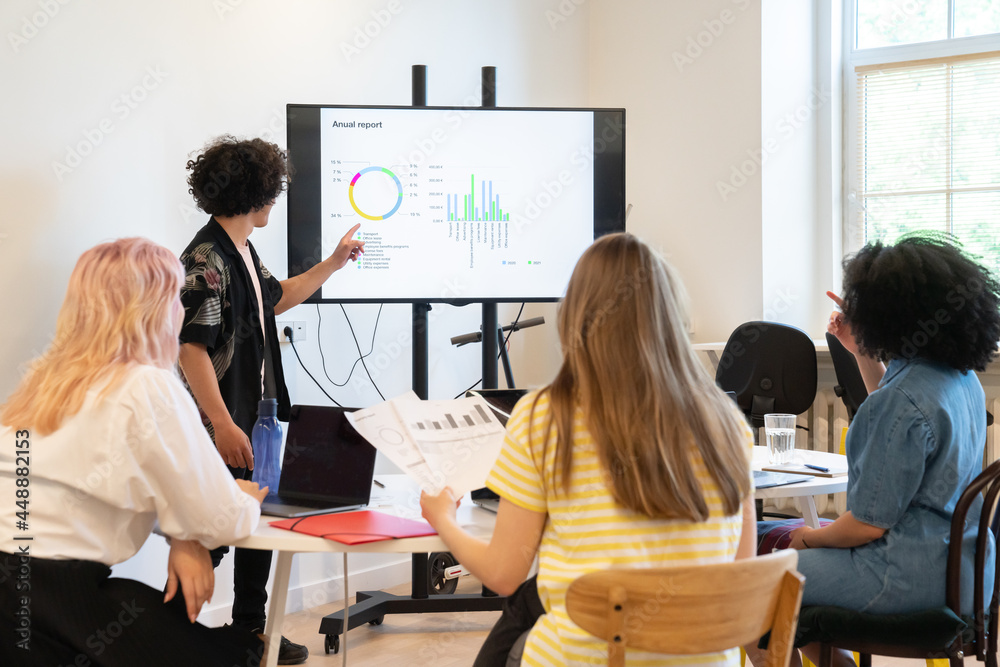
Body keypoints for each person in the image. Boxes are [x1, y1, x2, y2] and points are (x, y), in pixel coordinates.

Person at [421, 232, 757, 666]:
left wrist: (444, 520)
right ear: (671, 317)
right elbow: (740, 573)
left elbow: (503, 574)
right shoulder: (727, 423)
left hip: (589, 658)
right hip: (704, 660)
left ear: (575, 318)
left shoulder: (544, 417)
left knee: (515, 633)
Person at [0, 238, 269, 667]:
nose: (181, 311)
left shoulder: (38, 386)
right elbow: (220, 516)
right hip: (61, 599)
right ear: (155, 310)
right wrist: (245, 500)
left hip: (20, 599)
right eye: (176, 298)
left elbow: (121, 486)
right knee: (241, 652)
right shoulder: (146, 385)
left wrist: (184, 536)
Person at [759, 234, 1000, 667]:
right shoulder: (959, 378)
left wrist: (809, 538)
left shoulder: (902, 400)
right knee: (782, 563)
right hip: (965, 572)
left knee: (752, 584)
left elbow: (866, 527)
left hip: (904, 577)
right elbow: (895, 414)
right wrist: (860, 349)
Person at [177, 135, 364, 665]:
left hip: (255, 418)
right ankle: (170, 635)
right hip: (226, 424)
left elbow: (274, 298)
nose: (275, 201)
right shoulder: (206, 258)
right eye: (273, 191)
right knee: (214, 534)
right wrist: (220, 424)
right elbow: (192, 349)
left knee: (256, 523)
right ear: (255, 193)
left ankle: (250, 633)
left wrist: (333, 263)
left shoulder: (239, 249)